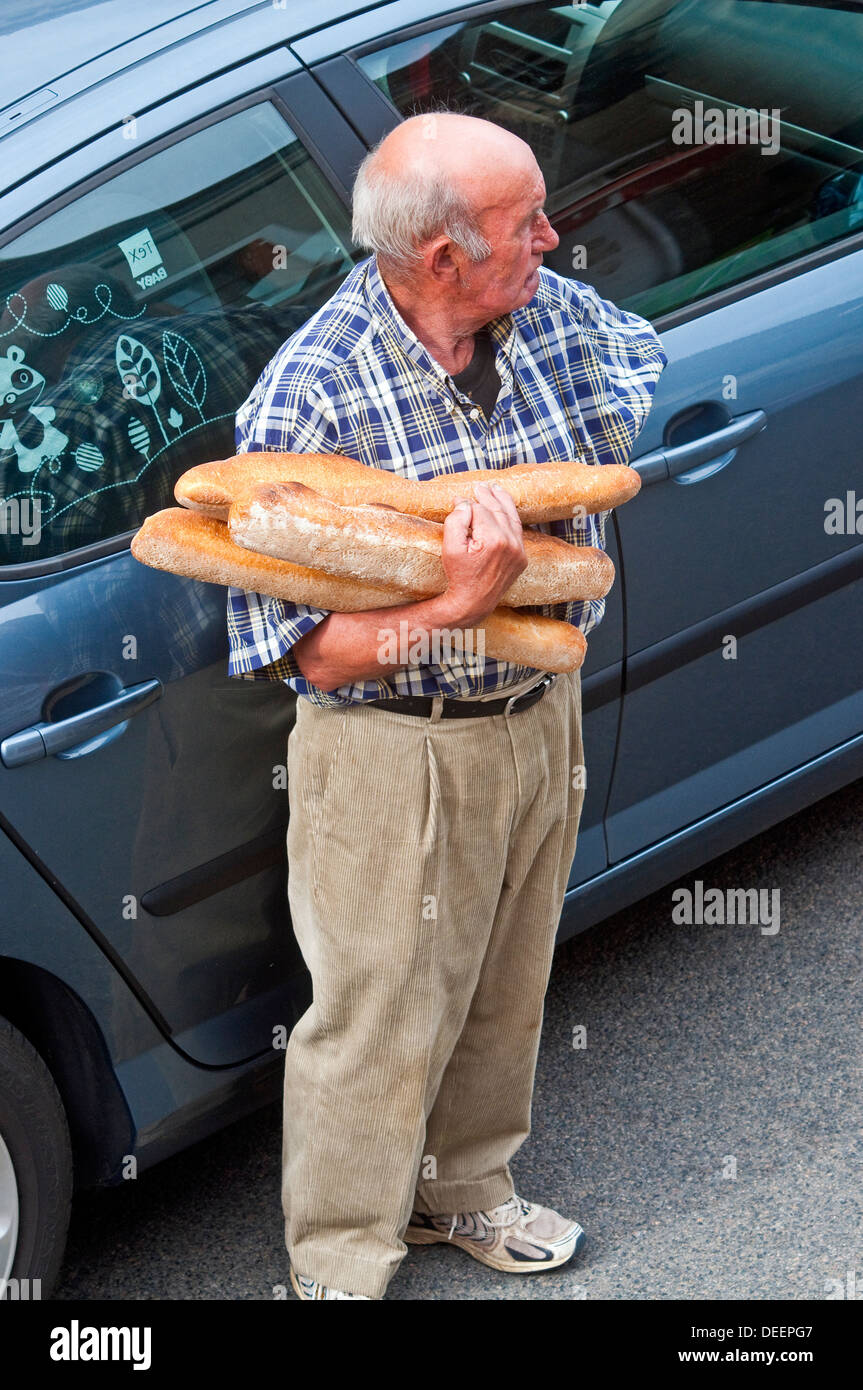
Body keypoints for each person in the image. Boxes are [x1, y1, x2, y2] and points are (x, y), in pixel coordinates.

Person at [226, 112, 667, 1300]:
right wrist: (453, 601)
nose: (552, 235)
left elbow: (630, 375)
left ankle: (464, 1192)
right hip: (389, 754)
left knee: (503, 983)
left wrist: (553, 512)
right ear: (441, 258)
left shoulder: (547, 311)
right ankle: (339, 1264)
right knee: (374, 1015)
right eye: (525, 221)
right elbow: (306, 658)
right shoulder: (305, 405)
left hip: (538, 712)